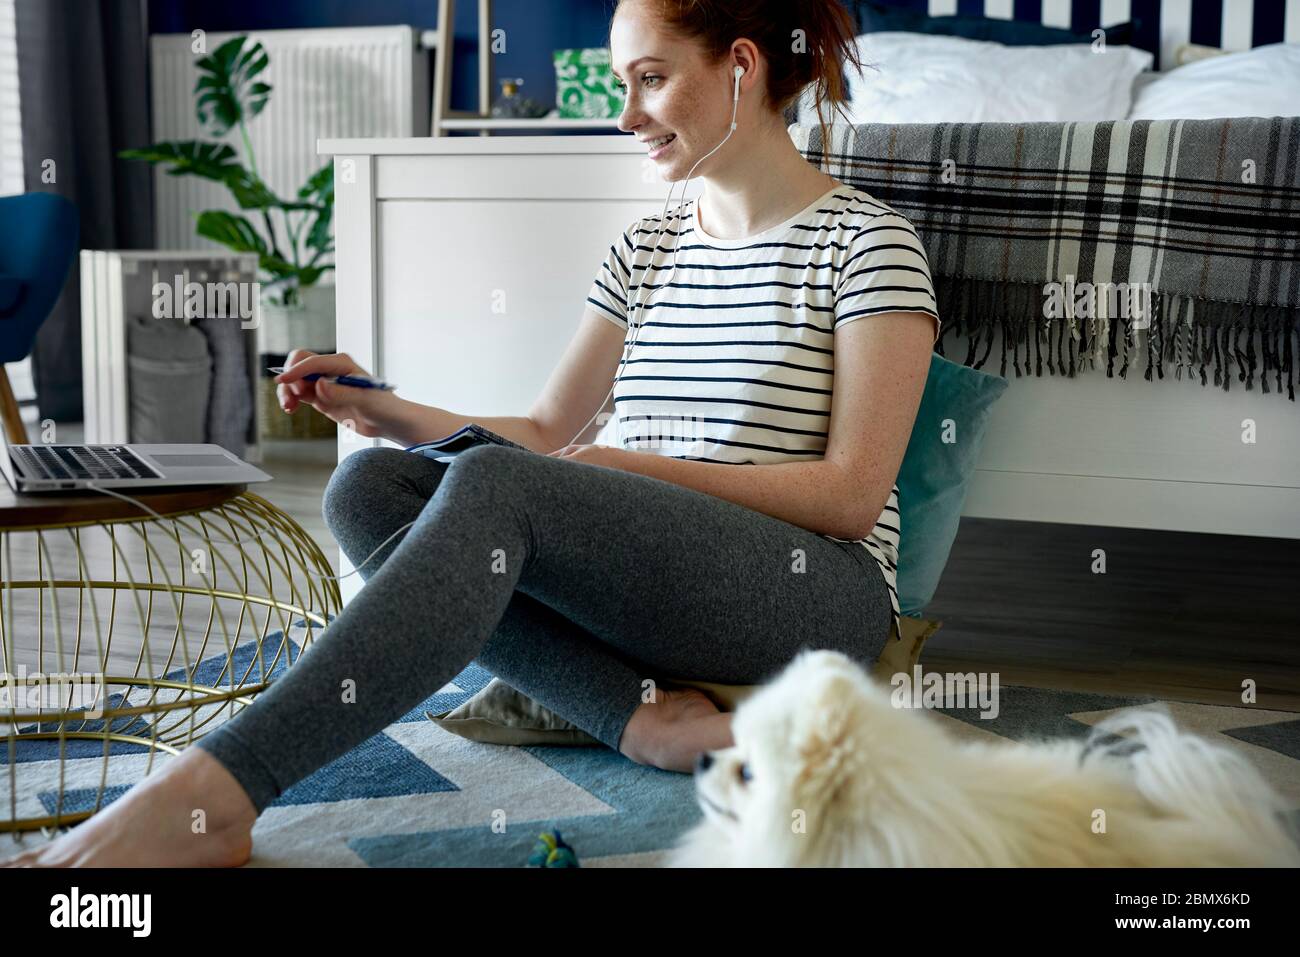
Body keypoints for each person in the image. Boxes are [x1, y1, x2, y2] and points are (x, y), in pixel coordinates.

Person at [3, 0, 938, 868]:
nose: (625, 115)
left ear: (740, 67)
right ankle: (639, 718)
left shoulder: (865, 244)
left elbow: (851, 495)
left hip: (815, 597)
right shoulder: (648, 247)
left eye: (650, 79)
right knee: (368, 487)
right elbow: (541, 430)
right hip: (665, 579)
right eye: (622, 84)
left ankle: (214, 788)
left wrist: (623, 468)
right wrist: (385, 408)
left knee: (500, 487)